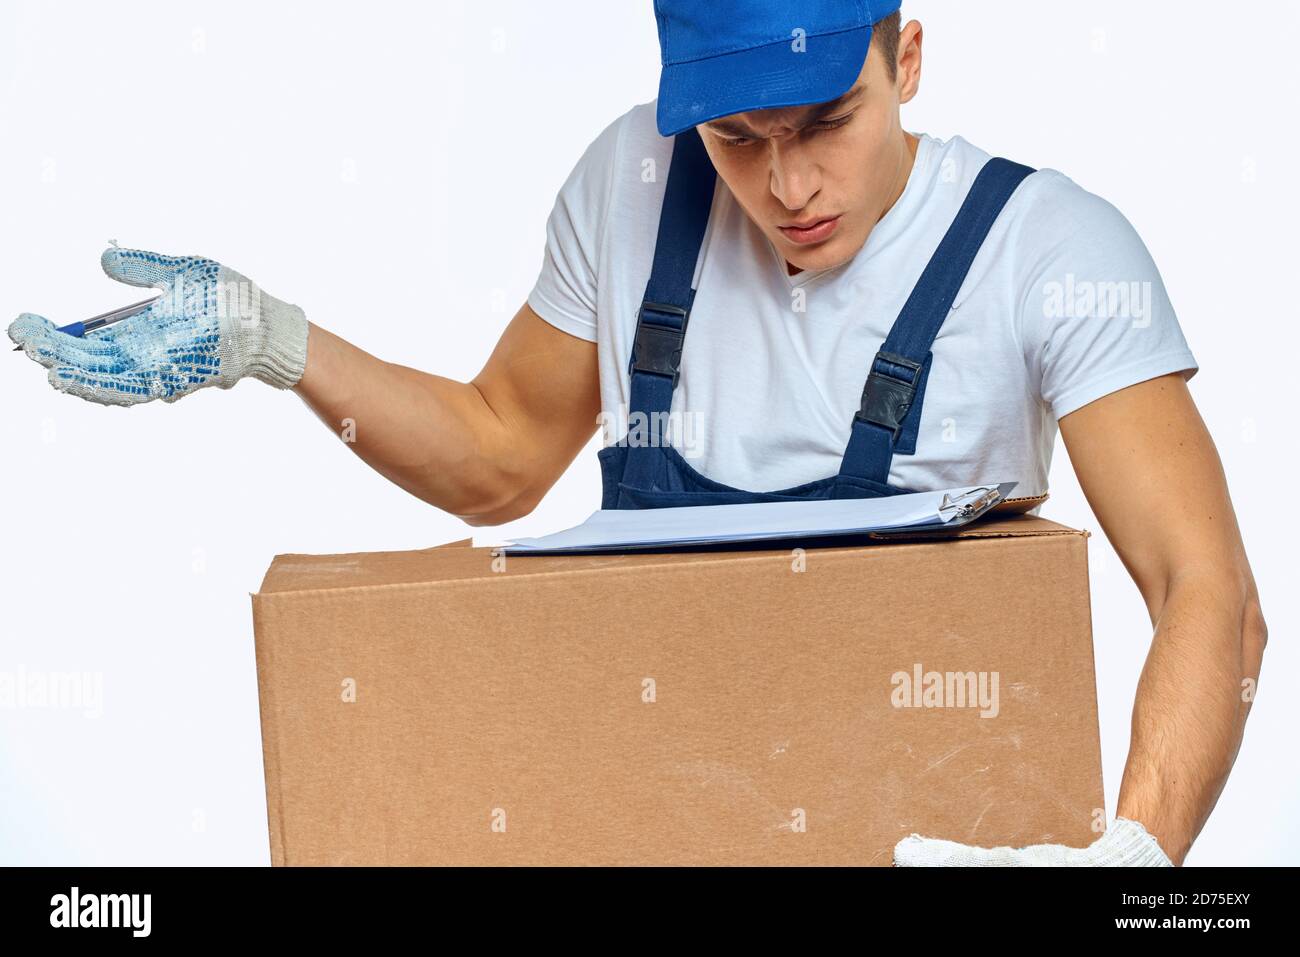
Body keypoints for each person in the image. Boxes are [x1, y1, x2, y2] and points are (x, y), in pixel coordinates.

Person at [7, 1, 1266, 866]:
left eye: (826, 121)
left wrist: (1132, 858)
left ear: (909, 58)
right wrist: (271, 342)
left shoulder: (1046, 249)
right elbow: (499, 456)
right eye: (736, 140)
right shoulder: (632, 178)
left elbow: (1202, 587)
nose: (786, 186)